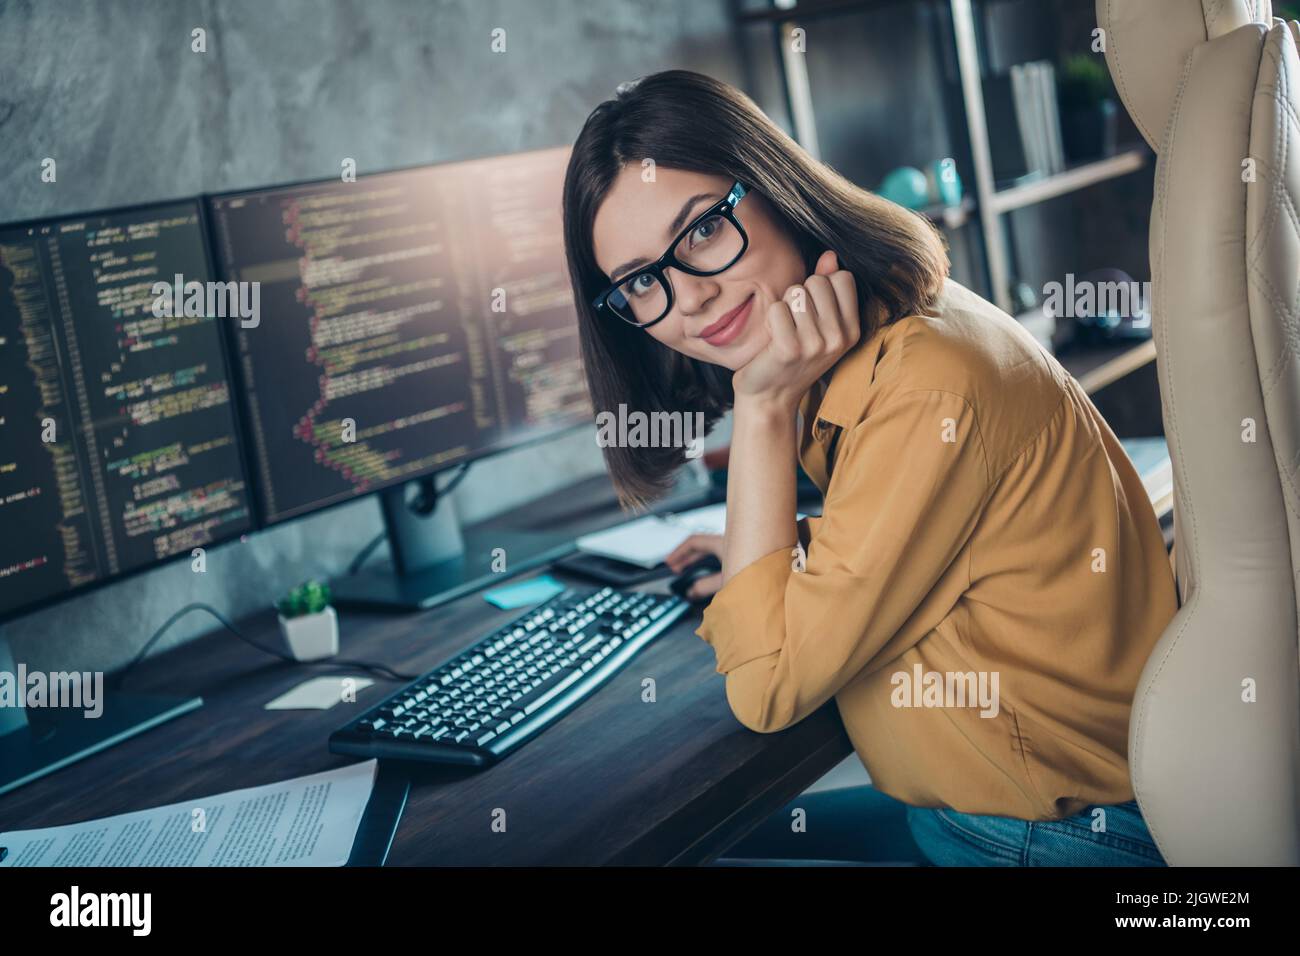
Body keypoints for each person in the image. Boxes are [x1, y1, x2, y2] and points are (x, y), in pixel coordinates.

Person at [560, 70, 1177, 866]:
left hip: (1046, 837)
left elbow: (766, 690)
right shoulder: (896, 329)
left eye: (704, 230)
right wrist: (781, 551)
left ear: (777, 190)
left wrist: (762, 408)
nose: (690, 298)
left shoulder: (926, 387)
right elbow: (946, 536)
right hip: (1003, 810)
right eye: (643, 281)